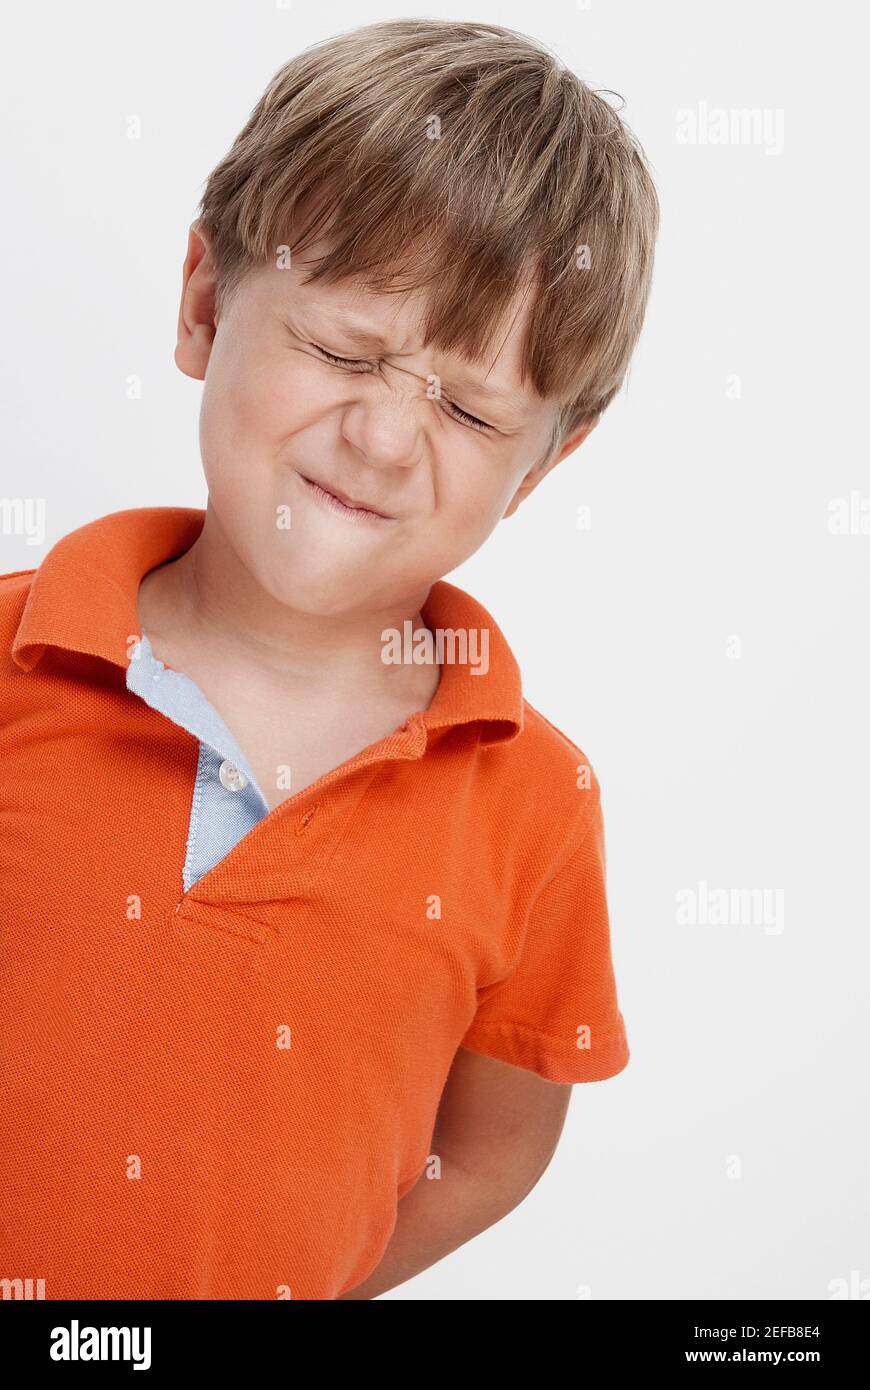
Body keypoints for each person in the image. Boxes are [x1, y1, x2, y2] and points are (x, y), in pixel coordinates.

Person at [0, 17, 659, 1300]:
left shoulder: (534, 805)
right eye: (346, 351)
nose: (382, 437)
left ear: (542, 466)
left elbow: (487, 1155)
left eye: (470, 410)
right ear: (203, 302)